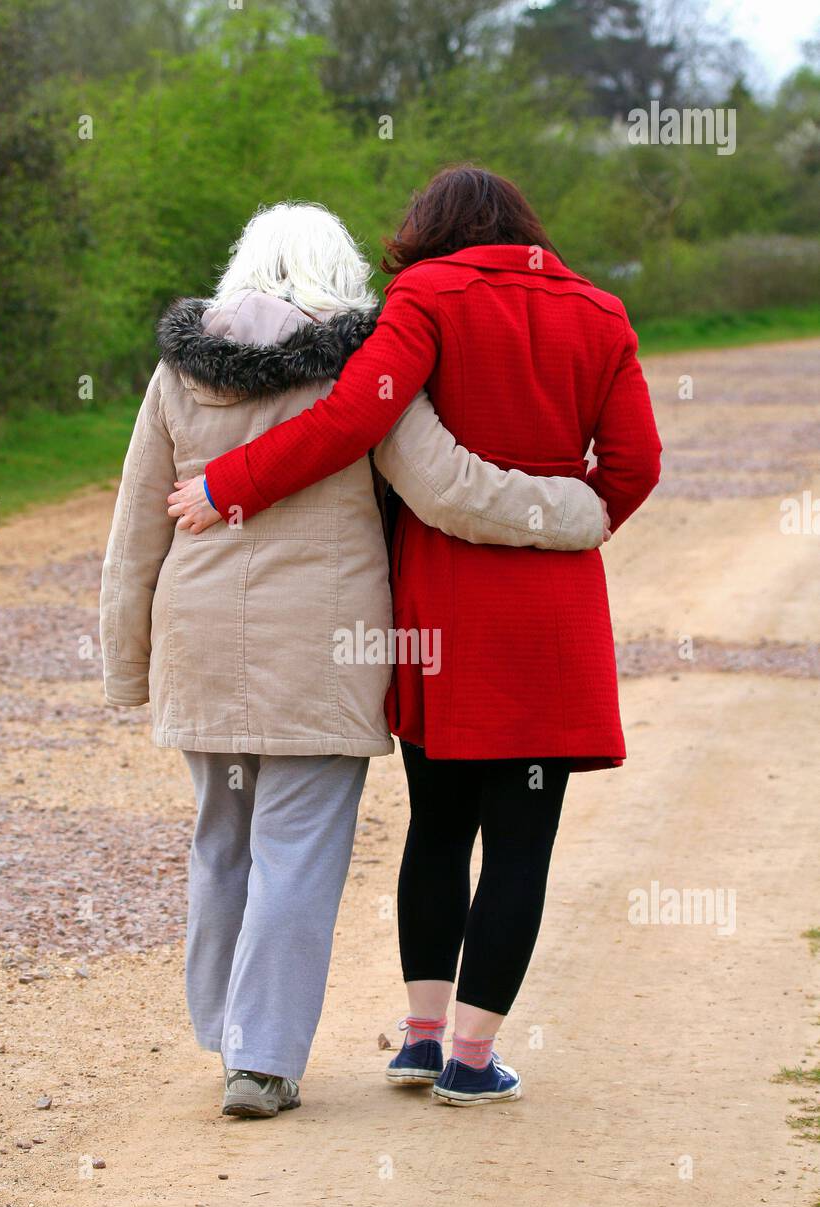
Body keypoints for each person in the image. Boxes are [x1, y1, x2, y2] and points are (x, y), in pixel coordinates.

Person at [100, 200, 608, 1118]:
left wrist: (126, 664)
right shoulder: (364, 369)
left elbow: (137, 524)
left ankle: (223, 1028)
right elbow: (448, 489)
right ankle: (260, 1060)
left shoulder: (177, 370)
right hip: (323, 648)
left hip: (200, 639)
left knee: (221, 838)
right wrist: (573, 510)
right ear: (343, 278)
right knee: (295, 850)